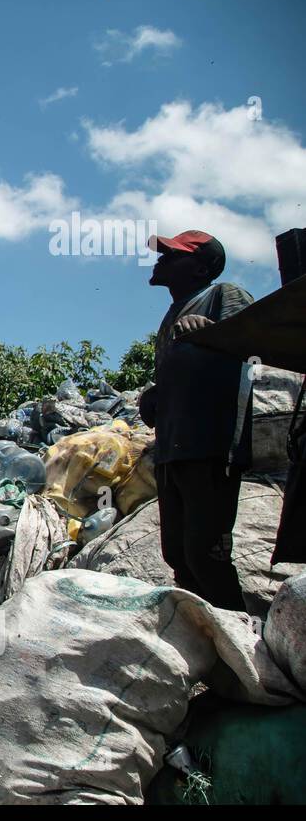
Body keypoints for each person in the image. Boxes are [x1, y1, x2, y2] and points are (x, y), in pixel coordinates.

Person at [138, 230, 253, 612]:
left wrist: (209, 332)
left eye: (173, 255)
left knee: (207, 556)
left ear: (201, 267)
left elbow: (248, 347)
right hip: (173, 451)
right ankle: (205, 649)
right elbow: (183, 372)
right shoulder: (171, 316)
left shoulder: (223, 296)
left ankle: (247, 647)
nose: (162, 259)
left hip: (210, 447)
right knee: (178, 557)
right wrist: (155, 394)